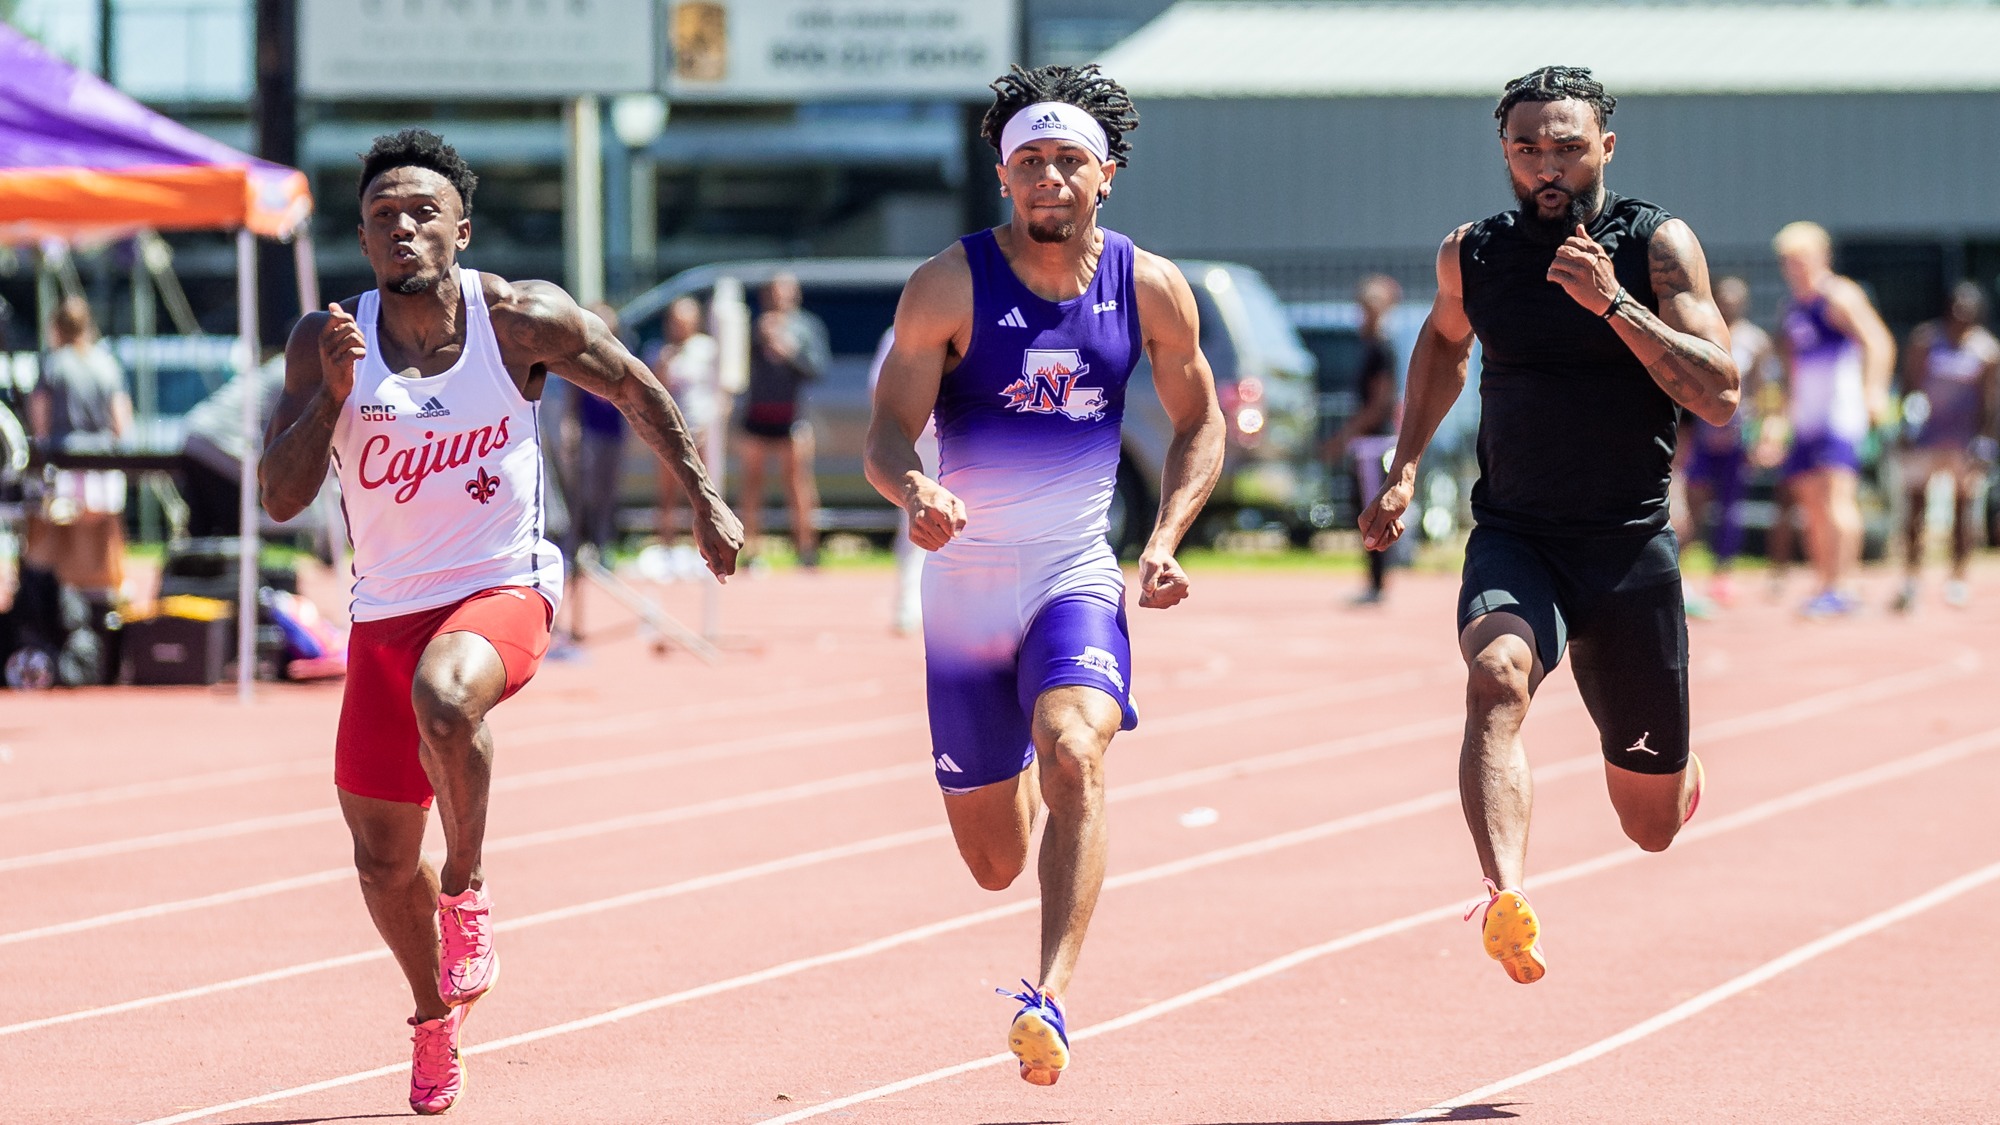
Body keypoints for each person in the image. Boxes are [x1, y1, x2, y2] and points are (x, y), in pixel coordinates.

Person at [259, 129, 742, 1116]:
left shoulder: (516, 319)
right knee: (380, 860)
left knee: (449, 697)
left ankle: (468, 888)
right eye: (385, 215)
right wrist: (332, 401)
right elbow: (277, 494)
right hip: (381, 613)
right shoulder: (325, 339)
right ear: (361, 235)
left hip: (501, 585)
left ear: (461, 230)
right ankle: (434, 1020)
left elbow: (635, 387)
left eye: (422, 212)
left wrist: (702, 498)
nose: (403, 227)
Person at [867, 63, 1223, 1084]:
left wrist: (1163, 539)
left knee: (1075, 749)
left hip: (1073, 570)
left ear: (1103, 175)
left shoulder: (1147, 287)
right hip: (967, 588)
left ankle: (1049, 995)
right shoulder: (947, 283)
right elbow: (885, 435)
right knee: (991, 862)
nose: (1049, 178)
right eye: (1031, 161)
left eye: (1069, 160)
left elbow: (1197, 424)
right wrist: (915, 491)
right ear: (1002, 175)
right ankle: (1015, 763)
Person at [1361, 67, 1735, 986]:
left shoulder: (1654, 245)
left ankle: (1679, 764)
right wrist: (1405, 464)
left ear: (1604, 146)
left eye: (1567, 144)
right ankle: (1507, 896)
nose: (1546, 163)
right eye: (1528, 146)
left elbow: (1720, 394)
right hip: (1516, 531)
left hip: (1627, 544)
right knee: (1495, 678)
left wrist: (1615, 304)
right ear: (1505, 153)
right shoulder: (1474, 254)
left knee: (1649, 825)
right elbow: (1445, 344)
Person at [1771, 220, 1895, 618]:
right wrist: (1781, 418)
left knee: (1836, 496)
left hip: (1839, 412)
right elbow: (1790, 369)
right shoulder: (1792, 309)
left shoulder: (1839, 295)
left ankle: (1845, 584)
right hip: (1807, 416)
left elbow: (1878, 341)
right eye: (1788, 261)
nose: (1794, 268)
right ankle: (1825, 582)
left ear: (1821, 257)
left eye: (1801, 259)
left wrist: (1873, 390)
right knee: (1811, 503)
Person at [1892, 280, 1999, 611]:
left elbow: (1991, 401)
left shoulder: (1986, 350)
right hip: (1926, 437)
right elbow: (1910, 386)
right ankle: (1911, 579)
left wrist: (1986, 442)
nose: (1959, 313)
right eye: (1955, 305)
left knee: (1962, 511)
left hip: (1963, 442)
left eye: (1967, 308)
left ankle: (1957, 578)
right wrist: (1907, 423)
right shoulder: (1926, 340)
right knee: (1915, 507)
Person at [25, 296, 132, 594]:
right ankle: (109, 592)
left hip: (65, 460)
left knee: (62, 535)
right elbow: (122, 419)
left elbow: (40, 418)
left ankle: (64, 597)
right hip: (103, 460)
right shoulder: (107, 364)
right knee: (106, 531)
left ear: (57, 327)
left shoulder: (53, 364)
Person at [1677, 276, 1773, 610]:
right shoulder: (1699, 333)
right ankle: (1683, 569)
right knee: (1692, 502)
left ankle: (1723, 573)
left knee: (1732, 506)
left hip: (1737, 435)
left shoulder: (1755, 342)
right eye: (1724, 298)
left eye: (1736, 299)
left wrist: (1763, 434)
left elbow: (1762, 393)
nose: (1730, 304)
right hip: (1702, 434)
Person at [1324, 274, 1404, 604]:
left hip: (1375, 445)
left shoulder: (1381, 348)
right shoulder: (1372, 347)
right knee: (1366, 511)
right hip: (1369, 444)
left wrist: (1343, 436)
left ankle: (1378, 582)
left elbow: (1380, 402)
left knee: (1374, 511)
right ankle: (1374, 580)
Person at [737, 272, 827, 567]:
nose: (779, 298)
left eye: (785, 292)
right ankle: (751, 550)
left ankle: (806, 549)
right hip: (756, 416)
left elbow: (817, 369)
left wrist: (788, 350)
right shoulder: (753, 326)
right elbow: (735, 368)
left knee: (799, 484)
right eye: (774, 293)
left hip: (793, 418)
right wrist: (756, 337)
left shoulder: (807, 327)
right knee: (752, 485)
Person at [556, 301, 631, 642]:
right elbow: (572, 398)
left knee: (606, 493)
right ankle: (575, 551)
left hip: (613, 434)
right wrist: (570, 428)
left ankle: (602, 546)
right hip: (589, 434)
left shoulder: (621, 355)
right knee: (581, 496)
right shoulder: (578, 356)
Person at [651, 296, 725, 543]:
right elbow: (653, 391)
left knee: (703, 493)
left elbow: (723, 392)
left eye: (684, 321)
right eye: (675, 321)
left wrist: (711, 425)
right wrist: (665, 362)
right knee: (668, 492)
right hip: (671, 431)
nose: (679, 326)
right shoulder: (660, 351)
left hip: (702, 429)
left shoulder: (708, 349)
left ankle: (707, 545)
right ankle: (667, 546)